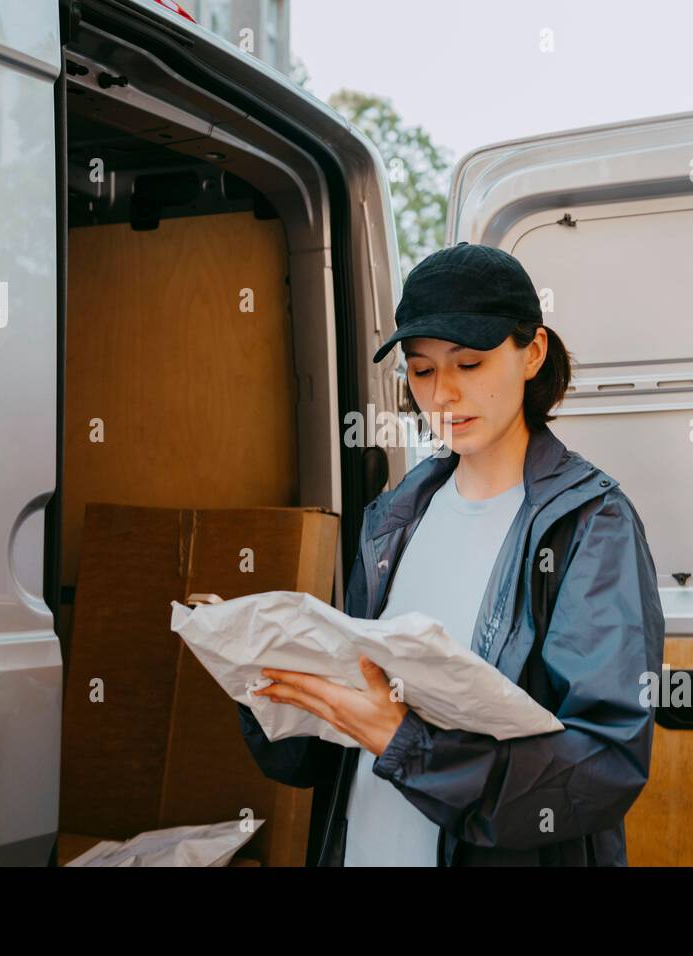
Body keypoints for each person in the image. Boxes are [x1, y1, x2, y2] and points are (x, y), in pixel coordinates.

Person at [235, 242, 665, 866]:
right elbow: (331, 753)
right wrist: (270, 688)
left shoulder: (591, 525)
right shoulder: (393, 519)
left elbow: (604, 766)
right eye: (424, 369)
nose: (443, 395)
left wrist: (406, 744)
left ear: (533, 354)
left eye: (470, 364)